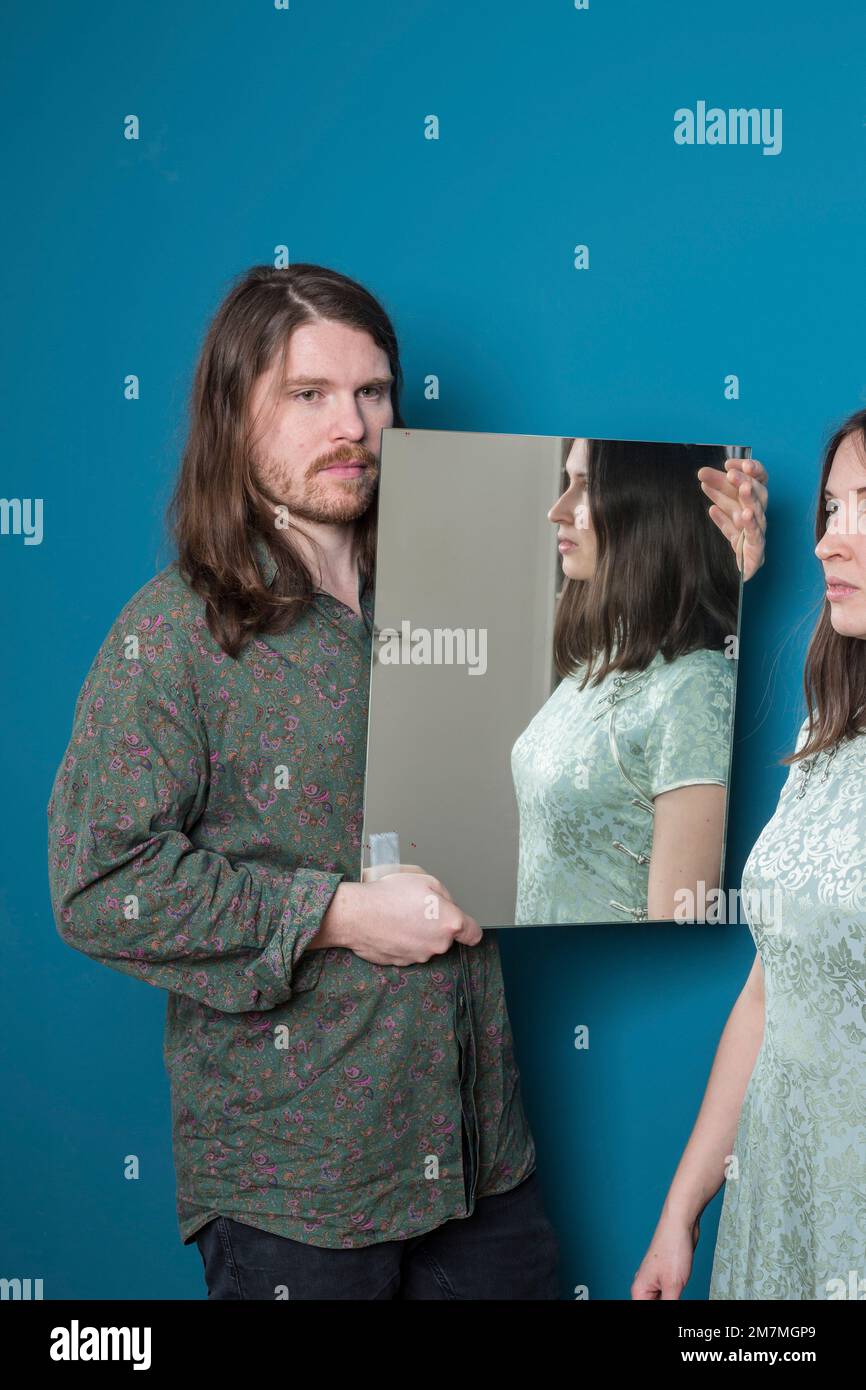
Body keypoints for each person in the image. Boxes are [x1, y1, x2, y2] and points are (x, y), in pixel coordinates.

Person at [46, 263, 559, 1300]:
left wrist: (697, 568)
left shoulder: (460, 595)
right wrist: (332, 914)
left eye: (372, 393)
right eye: (308, 394)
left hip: (480, 1158)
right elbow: (98, 884)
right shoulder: (171, 636)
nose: (353, 425)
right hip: (299, 1188)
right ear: (235, 417)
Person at [631, 407, 866, 1300]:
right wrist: (680, 1211)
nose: (827, 546)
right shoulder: (829, 735)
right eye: (831, 512)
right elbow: (772, 993)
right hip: (777, 1210)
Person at [510, 437, 765, 925]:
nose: (557, 510)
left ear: (652, 505)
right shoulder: (600, 658)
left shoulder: (697, 686)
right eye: (568, 482)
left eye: (585, 486)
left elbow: (675, 933)